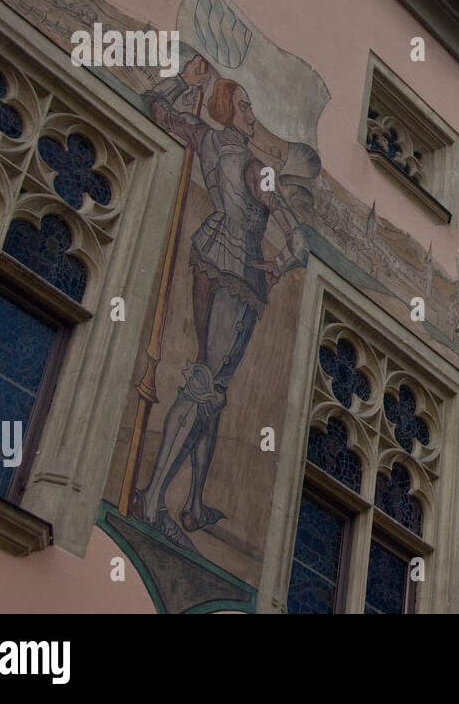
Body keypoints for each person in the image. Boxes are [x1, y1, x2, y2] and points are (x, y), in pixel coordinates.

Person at [133, 54, 307, 550]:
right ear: (229, 110)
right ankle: (153, 499)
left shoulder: (206, 139)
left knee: (214, 388)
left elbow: (155, 105)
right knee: (208, 384)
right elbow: (300, 243)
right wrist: (277, 268)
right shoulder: (257, 170)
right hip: (240, 275)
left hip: (207, 254)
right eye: (246, 109)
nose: (253, 118)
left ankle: (192, 504)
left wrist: (180, 81)